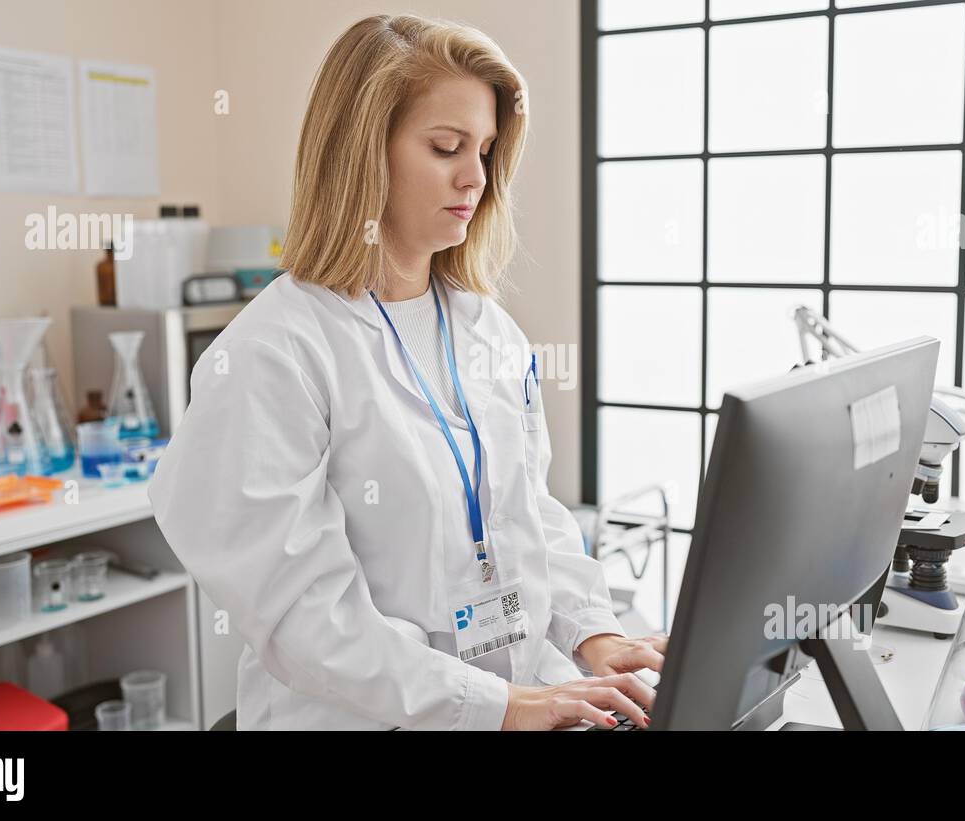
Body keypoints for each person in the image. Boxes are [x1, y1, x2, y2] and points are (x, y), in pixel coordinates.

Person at [149, 13, 666, 730]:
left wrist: (592, 631)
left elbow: (531, 514)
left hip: (515, 700)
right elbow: (308, 618)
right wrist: (497, 705)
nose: (476, 177)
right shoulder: (273, 353)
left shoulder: (489, 331)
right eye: (446, 146)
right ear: (362, 153)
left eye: (485, 150)